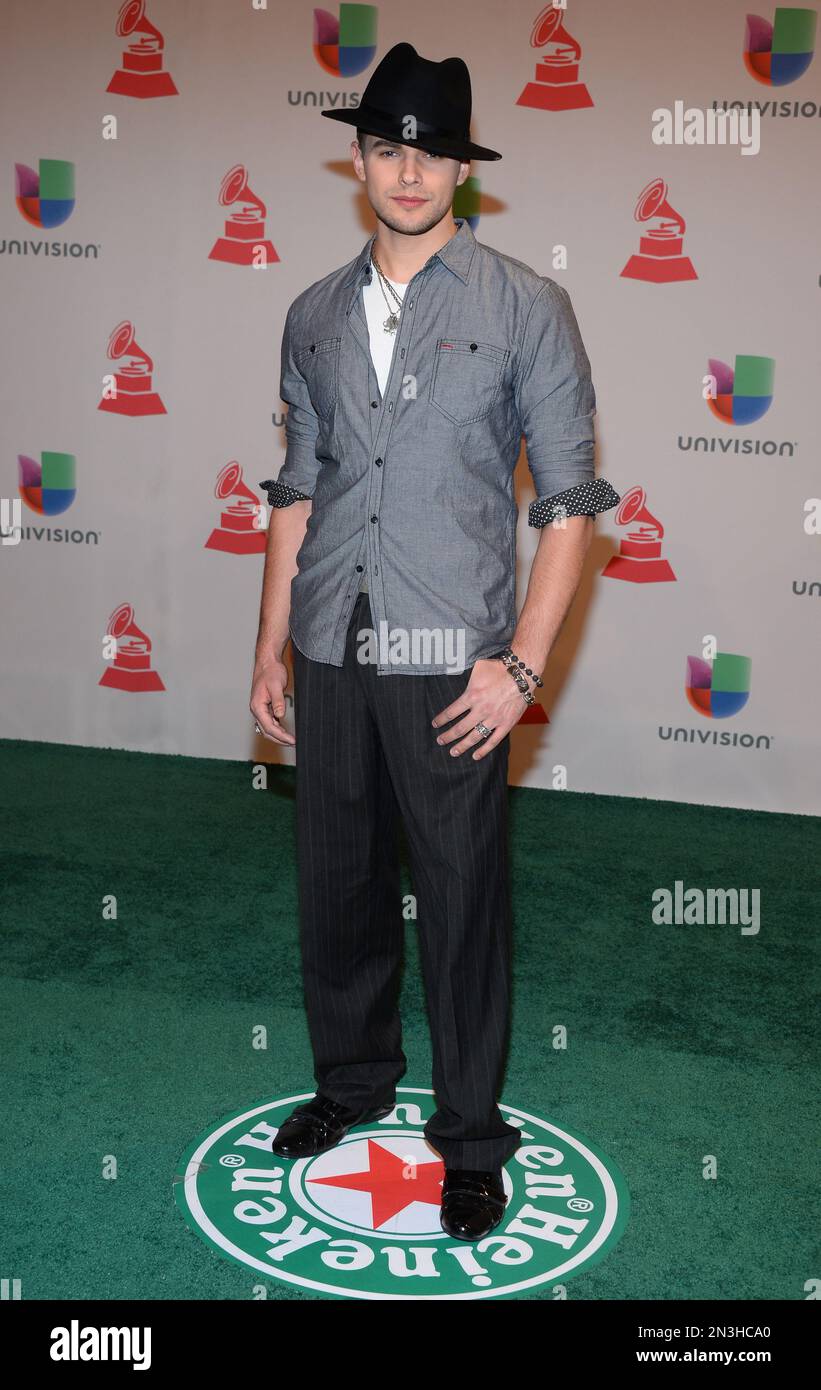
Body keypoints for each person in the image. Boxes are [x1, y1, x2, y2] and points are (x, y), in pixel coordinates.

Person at [250, 42, 620, 1242]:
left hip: (451, 655)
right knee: (337, 888)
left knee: (460, 901)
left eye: (432, 150)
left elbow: (565, 503)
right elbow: (295, 491)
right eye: (386, 145)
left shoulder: (525, 305)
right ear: (357, 158)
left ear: (462, 167)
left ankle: (467, 1135)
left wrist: (519, 664)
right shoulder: (310, 311)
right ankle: (350, 1084)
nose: (407, 170)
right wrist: (271, 647)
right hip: (330, 641)